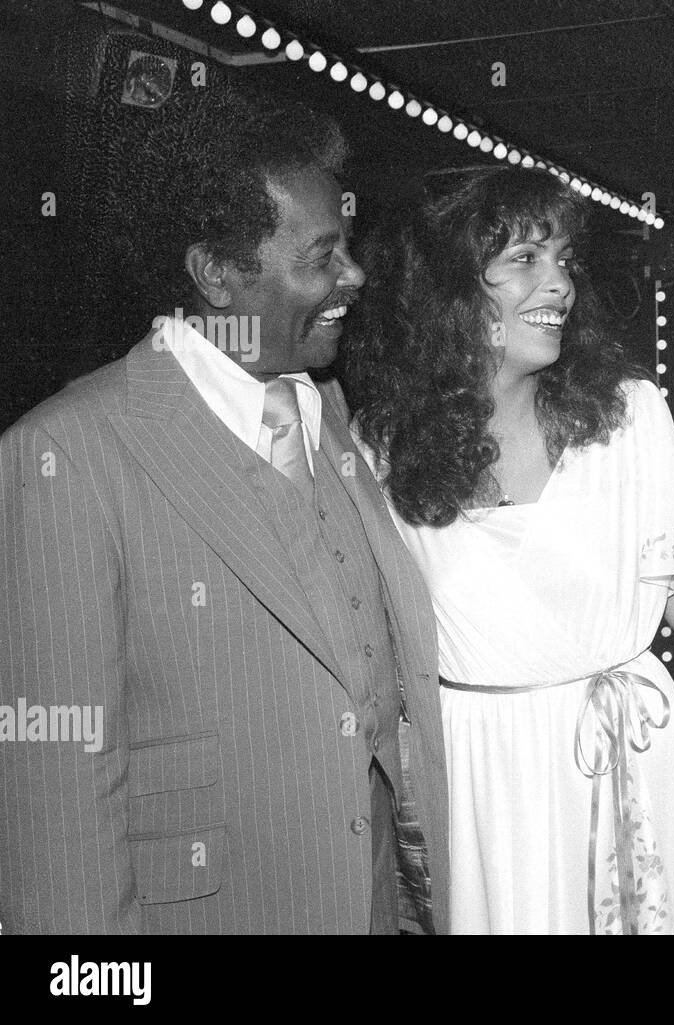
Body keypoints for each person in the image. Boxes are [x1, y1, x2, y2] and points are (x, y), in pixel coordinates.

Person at [0, 89, 449, 934]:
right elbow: (55, 810)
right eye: (322, 255)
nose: (352, 274)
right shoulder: (69, 455)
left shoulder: (329, 414)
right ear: (215, 272)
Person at [343, 165, 674, 934]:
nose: (561, 286)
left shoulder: (630, 419)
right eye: (525, 261)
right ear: (452, 287)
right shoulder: (381, 448)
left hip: (629, 763)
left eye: (565, 262)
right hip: (483, 780)